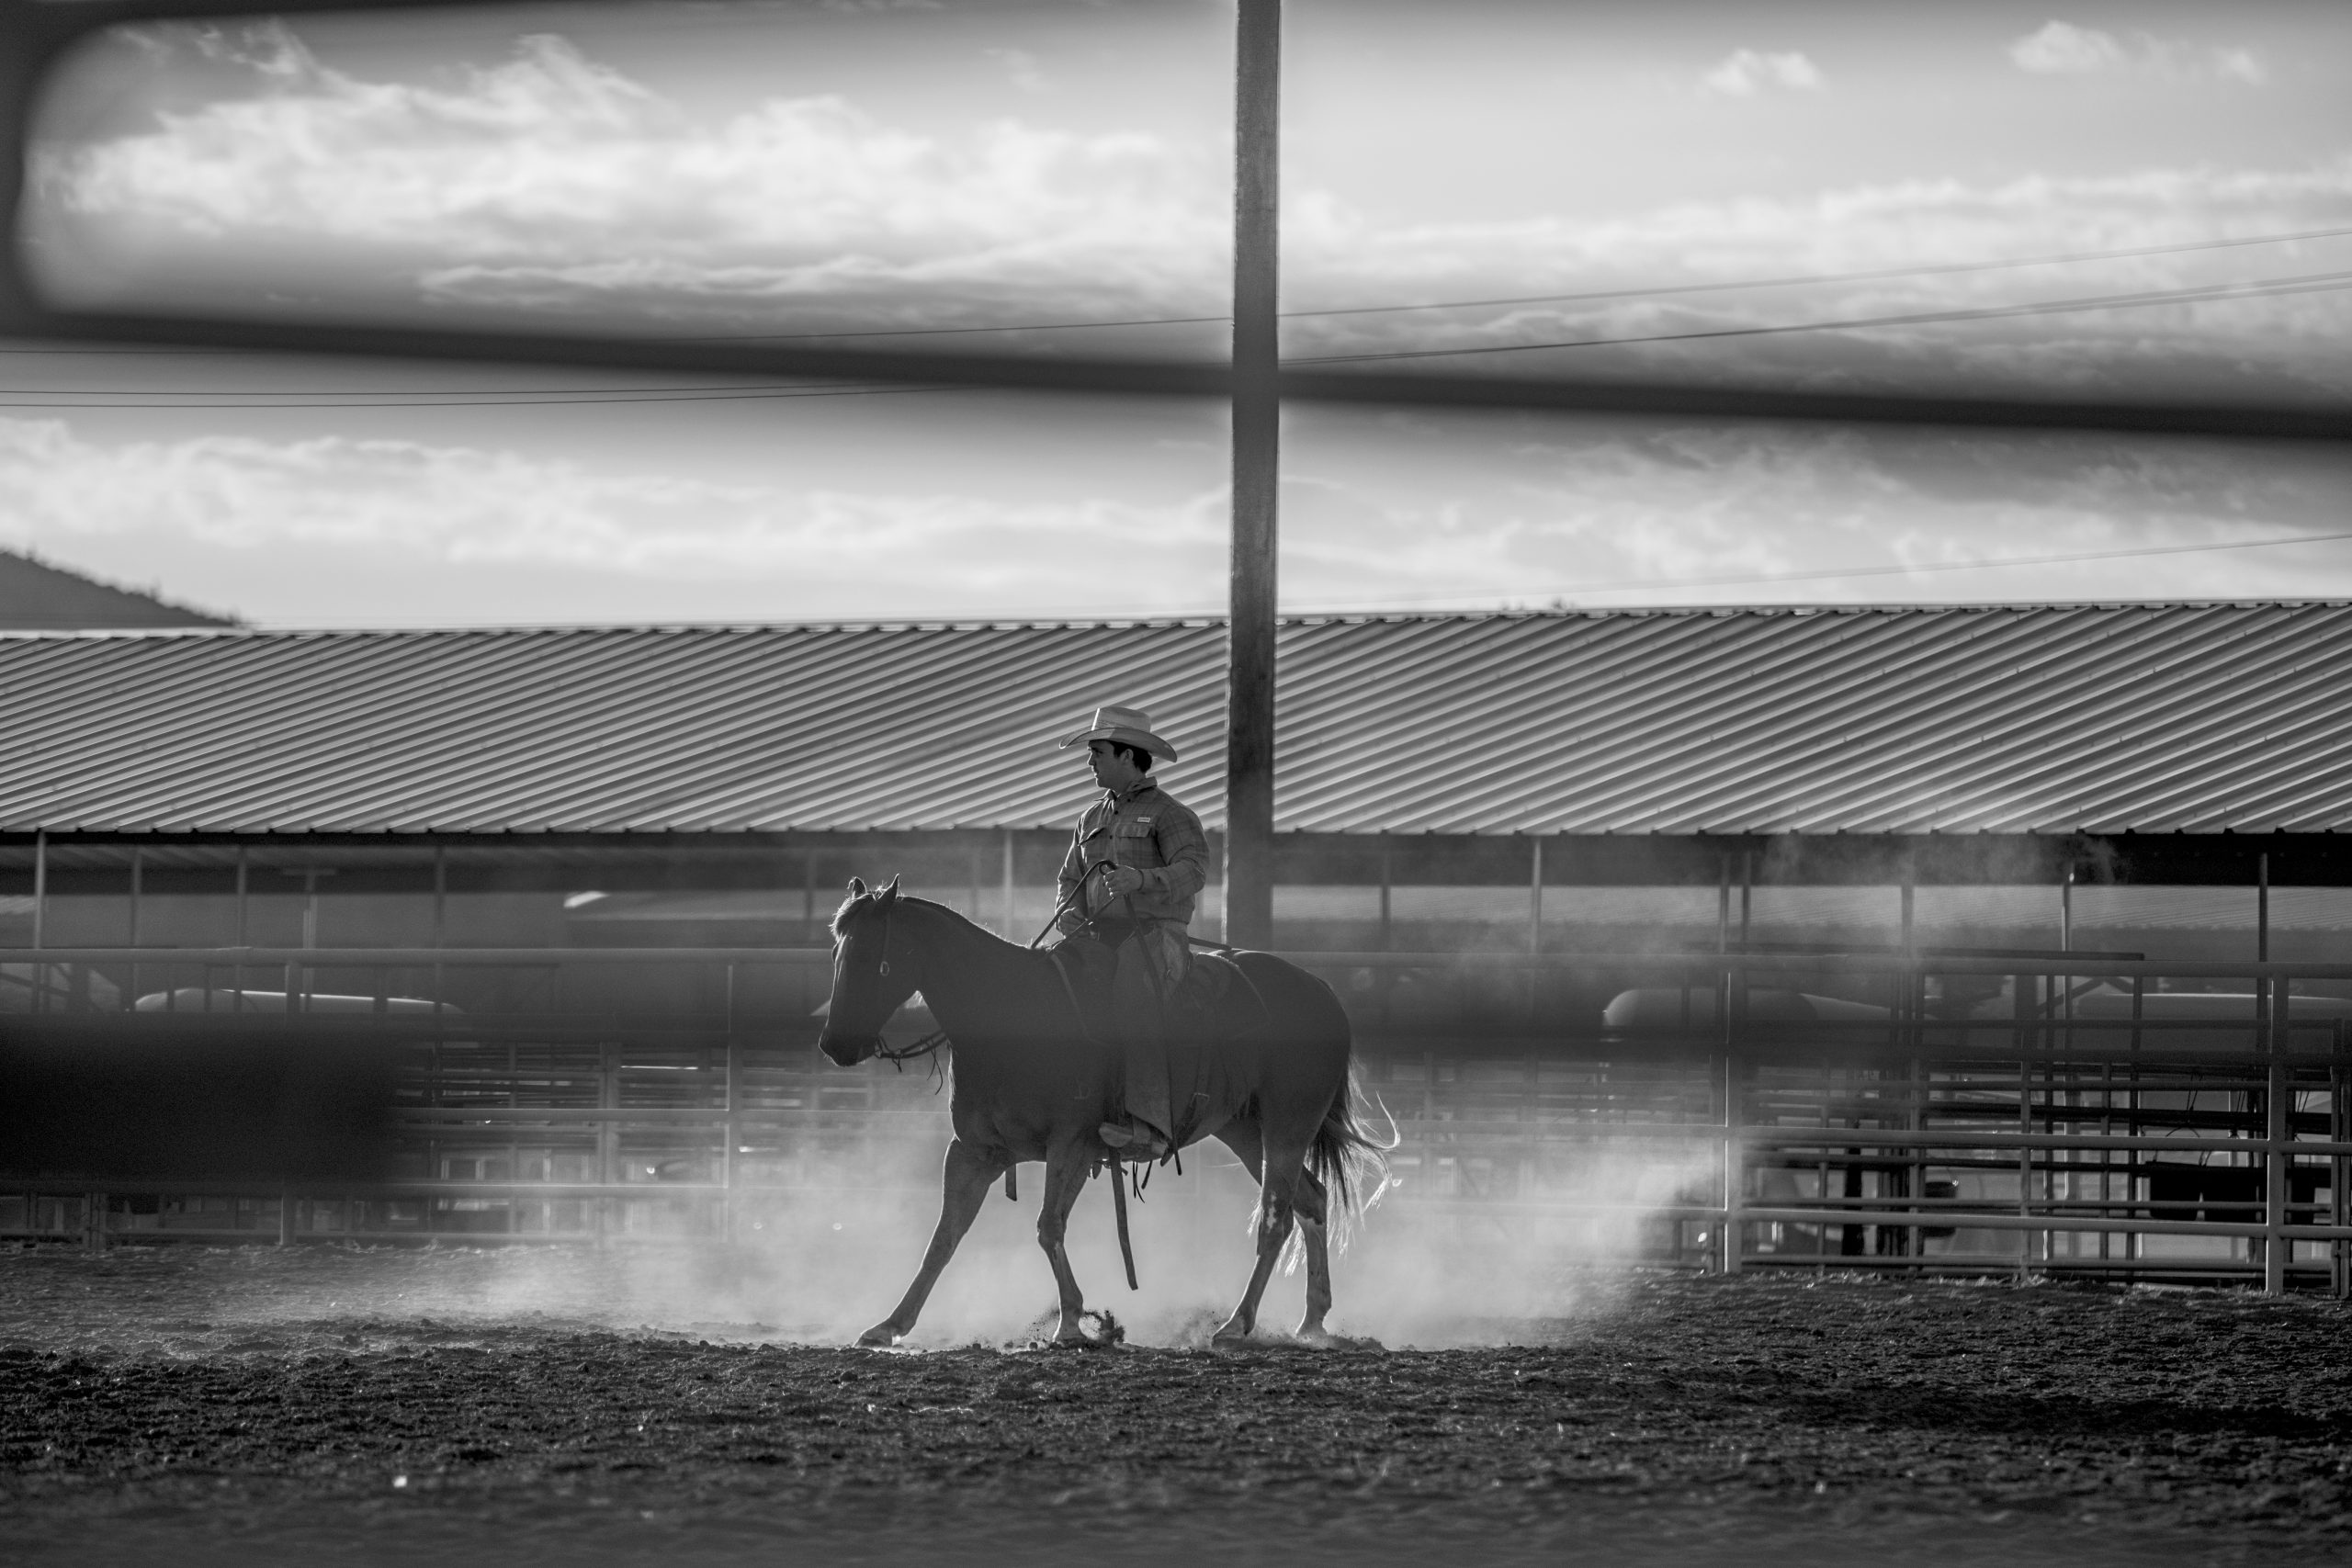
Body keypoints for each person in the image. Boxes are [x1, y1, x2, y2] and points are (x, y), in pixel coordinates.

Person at [1054, 705, 1208, 1158]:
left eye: (1097, 752)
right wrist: (1066, 911)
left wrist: (1140, 880)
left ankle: (1149, 1125)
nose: (1089, 762)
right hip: (1097, 935)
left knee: (1133, 994)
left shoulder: (1171, 815)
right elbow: (1069, 879)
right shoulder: (1089, 819)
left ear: (1127, 755)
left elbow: (1194, 871)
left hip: (1157, 935)